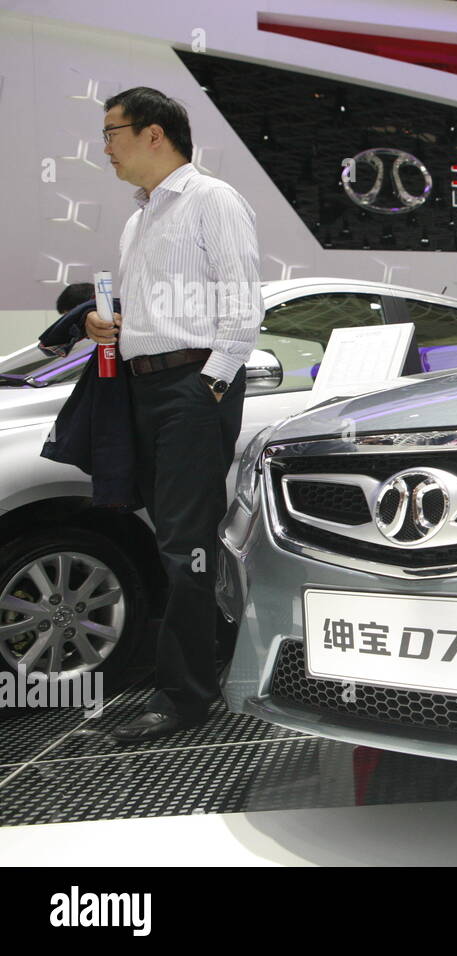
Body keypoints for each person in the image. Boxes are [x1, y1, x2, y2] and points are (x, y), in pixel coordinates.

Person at [83, 87, 263, 742]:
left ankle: (185, 696)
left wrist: (210, 389)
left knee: (183, 545)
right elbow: (147, 314)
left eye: (111, 132)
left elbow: (242, 309)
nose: (104, 146)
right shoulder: (137, 220)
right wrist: (109, 326)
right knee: (170, 542)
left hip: (192, 387)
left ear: (153, 133)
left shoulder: (212, 200)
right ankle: (191, 675)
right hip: (139, 389)